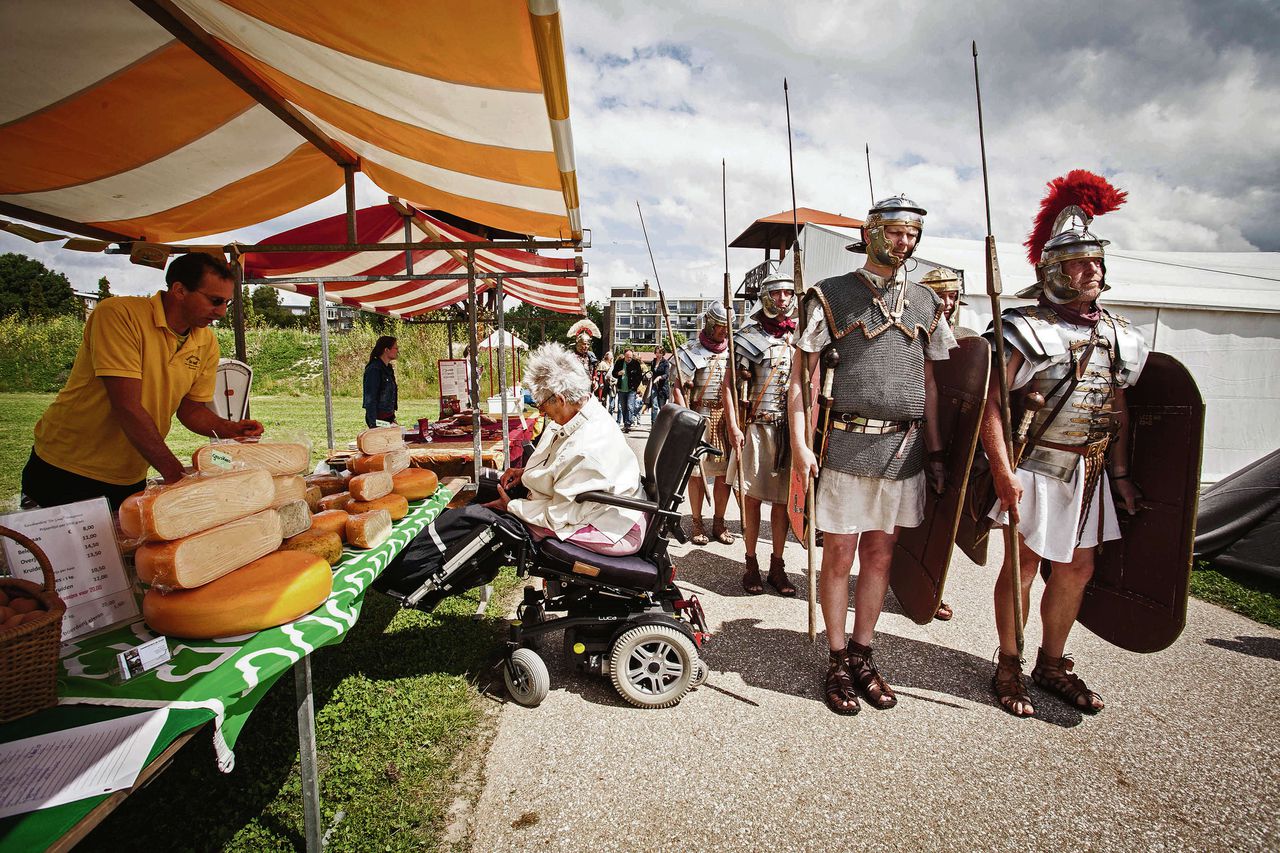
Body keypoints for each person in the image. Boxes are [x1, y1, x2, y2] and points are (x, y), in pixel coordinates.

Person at [983, 170, 1146, 718]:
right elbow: (991, 403)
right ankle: (1008, 662)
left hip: (1090, 470)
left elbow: (1115, 407)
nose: (1091, 270)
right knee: (1024, 565)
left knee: (1077, 568)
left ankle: (1051, 663)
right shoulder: (1025, 327)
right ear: (1051, 270)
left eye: (1096, 262)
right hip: (1035, 467)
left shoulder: (1119, 332)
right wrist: (1003, 470)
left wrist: (1119, 475)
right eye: (1079, 262)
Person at [789, 196, 955, 715]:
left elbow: (931, 381)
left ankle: (863, 652)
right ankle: (837, 658)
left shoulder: (927, 302)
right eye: (895, 232)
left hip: (903, 449)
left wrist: (935, 451)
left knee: (880, 554)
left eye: (912, 234)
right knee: (839, 554)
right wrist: (799, 443)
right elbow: (800, 379)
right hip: (846, 445)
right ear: (871, 233)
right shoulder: (831, 295)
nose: (904, 242)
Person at [386, 343, 648, 591]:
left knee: (489, 520)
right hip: (594, 509)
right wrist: (525, 475)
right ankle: (414, 553)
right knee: (489, 483)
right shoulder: (583, 414)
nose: (541, 411)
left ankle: (404, 572)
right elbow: (563, 470)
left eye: (541, 403)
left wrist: (511, 507)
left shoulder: (588, 447)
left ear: (560, 398)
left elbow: (562, 514)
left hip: (608, 527)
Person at [22, 252, 263, 509]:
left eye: (227, 303)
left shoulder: (206, 341)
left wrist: (230, 429)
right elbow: (127, 406)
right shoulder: (119, 315)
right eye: (215, 301)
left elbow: (191, 409)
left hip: (130, 472)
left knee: (122, 546)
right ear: (179, 290)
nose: (222, 312)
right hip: (67, 467)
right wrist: (175, 474)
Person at [732, 267, 797, 595]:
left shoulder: (800, 335)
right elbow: (732, 386)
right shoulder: (748, 335)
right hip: (758, 427)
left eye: (787, 292)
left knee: (783, 503)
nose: (782, 299)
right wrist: (733, 425)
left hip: (790, 432)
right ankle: (751, 563)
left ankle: (777, 564)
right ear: (765, 297)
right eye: (776, 293)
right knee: (753, 500)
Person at [918, 267, 975, 622]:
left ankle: (934, 586)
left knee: (946, 515)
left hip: (952, 437)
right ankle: (907, 576)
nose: (949, 302)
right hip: (914, 433)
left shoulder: (968, 340)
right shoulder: (915, 334)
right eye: (942, 295)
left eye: (954, 295)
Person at [674, 302, 740, 546]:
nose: (724, 331)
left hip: (725, 418)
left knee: (724, 475)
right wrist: (686, 418)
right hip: (699, 417)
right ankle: (697, 522)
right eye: (721, 326)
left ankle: (719, 522)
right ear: (710, 324)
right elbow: (678, 388)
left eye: (727, 327)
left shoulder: (733, 352)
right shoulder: (690, 350)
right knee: (697, 475)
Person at [363, 336, 399, 428]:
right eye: (395, 348)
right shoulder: (374, 369)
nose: (397, 351)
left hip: (388, 417)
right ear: (386, 350)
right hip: (378, 419)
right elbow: (370, 399)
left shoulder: (388, 369)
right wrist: (374, 424)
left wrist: (392, 418)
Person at [612, 349, 643, 433]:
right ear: (624, 356)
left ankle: (628, 424)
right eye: (627, 357)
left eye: (630, 357)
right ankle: (626, 423)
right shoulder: (619, 362)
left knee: (630, 406)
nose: (629, 359)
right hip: (621, 388)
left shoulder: (635, 363)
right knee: (623, 407)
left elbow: (640, 376)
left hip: (631, 389)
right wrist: (618, 373)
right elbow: (613, 373)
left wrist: (635, 387)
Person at [649, 347, 670, 425]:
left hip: (663, 387)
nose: (658, 354)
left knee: (662, 407)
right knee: (654, 405)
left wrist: (659, 377)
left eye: (660, 353)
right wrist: (649, 375)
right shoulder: (653, 362)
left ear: (663, 353)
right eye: (657, 352)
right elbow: (652, 372)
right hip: (654, 386)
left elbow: (666, 375)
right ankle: (653, 424)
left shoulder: (665, 363)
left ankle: (662, 424)